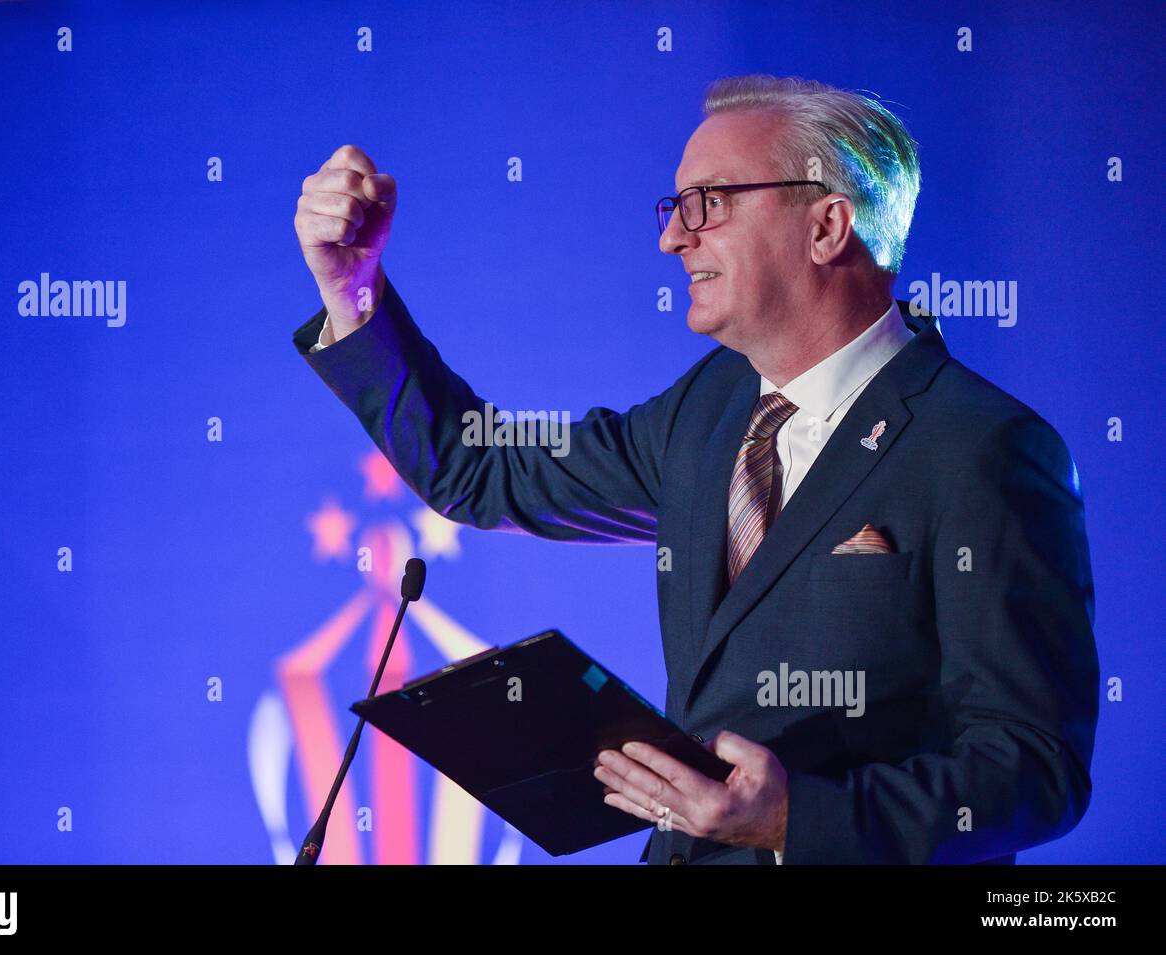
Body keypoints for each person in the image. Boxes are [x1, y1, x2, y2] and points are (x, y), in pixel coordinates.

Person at [289, 74, 1099, 865]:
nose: (673, 237)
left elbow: (1034, 767)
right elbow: (476, 466)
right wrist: (351, 289)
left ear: (827, 226)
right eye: (674, 207)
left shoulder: (982, 447)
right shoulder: (709, 407)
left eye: (708, 202)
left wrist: (793, 820)